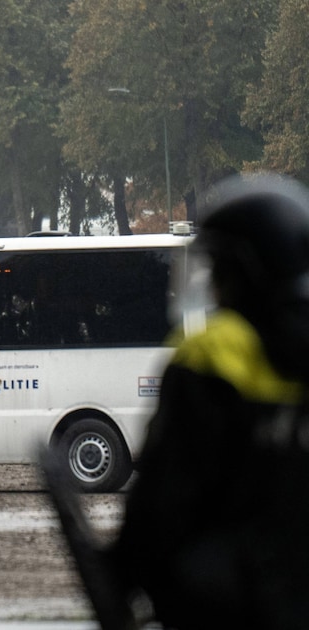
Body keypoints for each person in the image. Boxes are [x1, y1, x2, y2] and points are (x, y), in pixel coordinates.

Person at [57, 174, 309, 629]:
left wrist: (121, 573)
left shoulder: (216, 353)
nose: (213, 288)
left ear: (248, 271)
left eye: (220, 272)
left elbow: (162, 503)